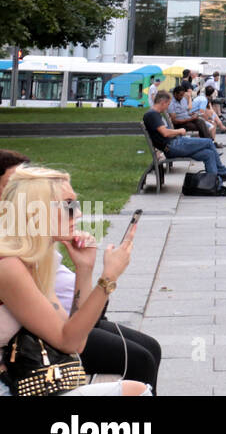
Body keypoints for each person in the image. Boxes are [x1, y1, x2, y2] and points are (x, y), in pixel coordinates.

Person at [0, 152, 163, 392]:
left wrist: (84, 270)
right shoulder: (8, 265)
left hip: (21, 377)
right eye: (68, 206)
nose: (78, 213)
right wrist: (108, 279)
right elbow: (69, 341)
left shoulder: (33, 261)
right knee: (137, 388)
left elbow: (75, 341)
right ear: (36, 213)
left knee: (140, 373)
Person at [143, 90, 226, 190]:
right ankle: (223, 173)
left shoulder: (153, 114)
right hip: (173, 146)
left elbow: (163, 132)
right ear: (162, 102)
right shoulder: (152, 115)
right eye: (168, 104)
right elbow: (165, 133)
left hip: (174, 145)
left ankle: (214, 185)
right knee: (208, 142)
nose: (168, 107)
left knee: (208, 154)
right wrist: (179, 131)